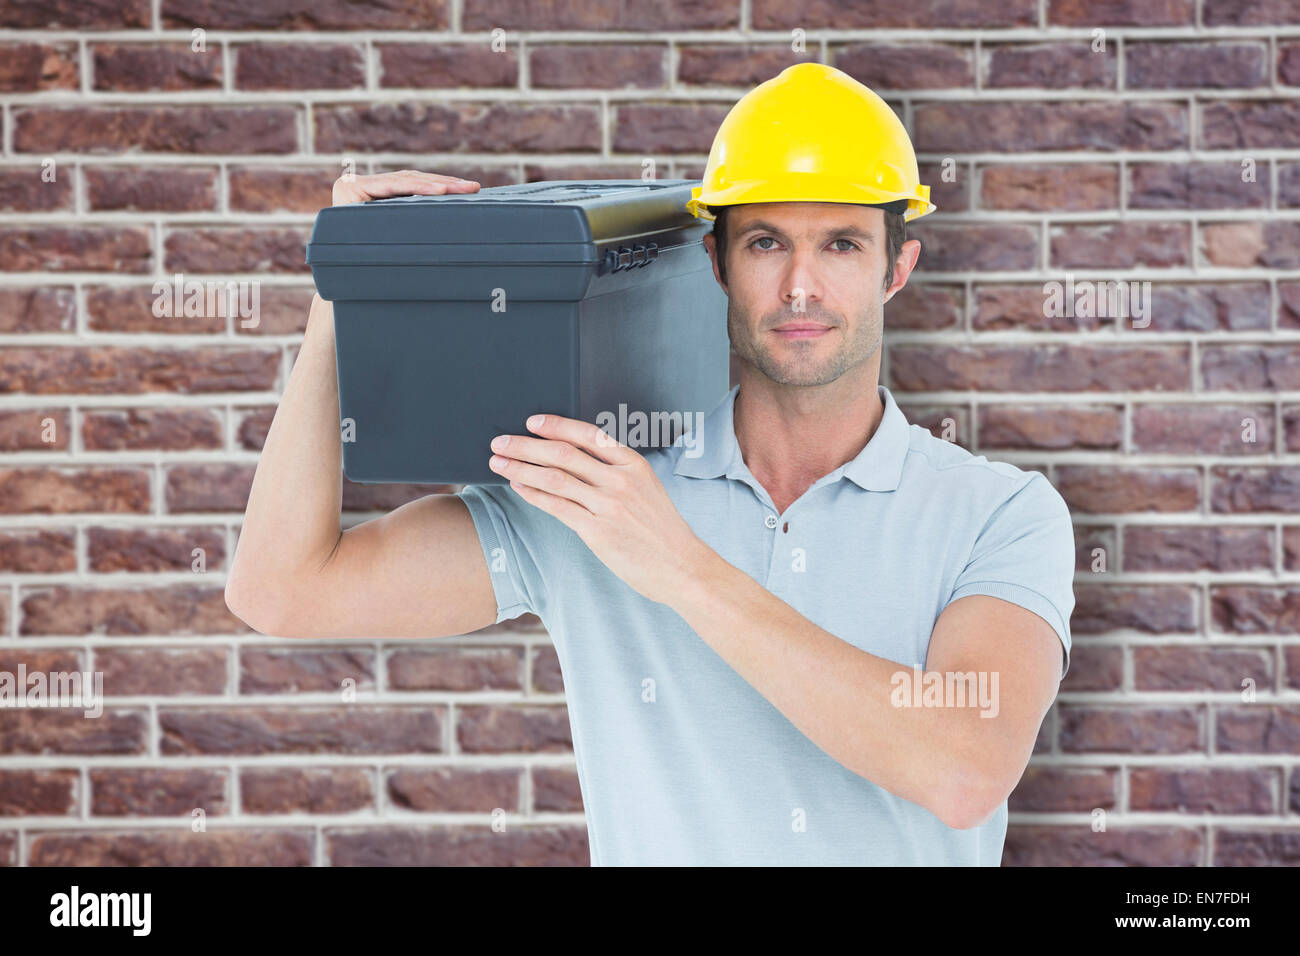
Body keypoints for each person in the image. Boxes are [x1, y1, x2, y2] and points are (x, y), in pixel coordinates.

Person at [226, 63, 1076, 866]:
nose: (801, 287)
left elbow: (963, 769)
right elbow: (282, 590)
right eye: (767, 243)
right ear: (716, 262)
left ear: (898, 267)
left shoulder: (1000, 515)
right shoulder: (598, 489)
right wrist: (342, 287)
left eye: (842, 245)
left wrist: (680, 567)